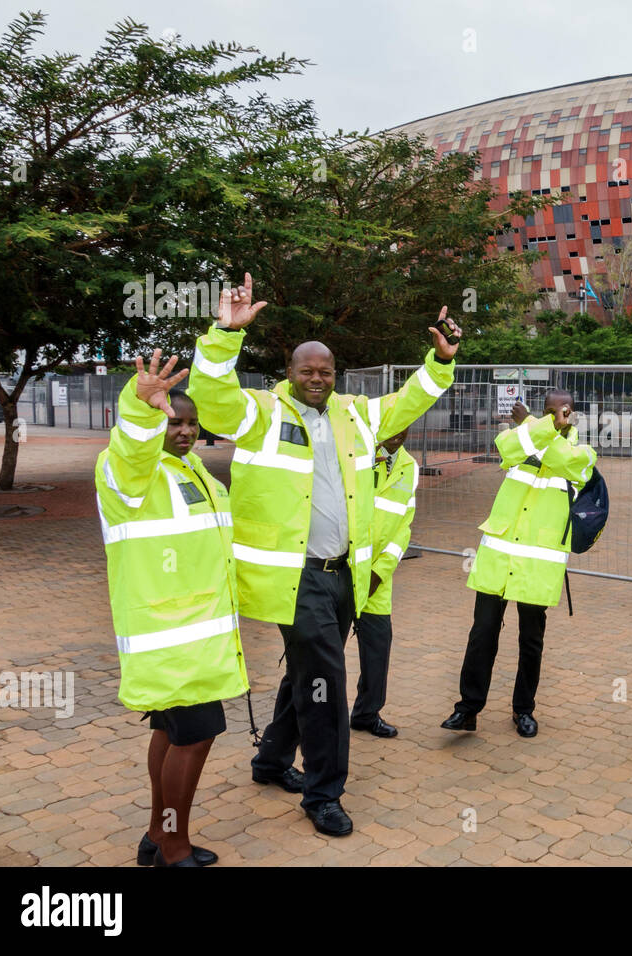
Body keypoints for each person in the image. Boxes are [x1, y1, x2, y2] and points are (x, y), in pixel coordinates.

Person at [188, 272, 460, 837]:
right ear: (289, 374)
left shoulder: (355, 415)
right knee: (328, 685)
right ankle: (324, 794)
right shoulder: (260, 414)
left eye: (326, 371)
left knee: (306, 677)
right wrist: (223, 335)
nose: (317, 378)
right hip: (297, 579)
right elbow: (212, 401)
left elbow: (408, 401)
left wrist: (439, 363)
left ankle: (269, 761)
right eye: (307, 370)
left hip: (345, 579)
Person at [95, 352, 248, 866]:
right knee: (196, 735)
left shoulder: (193, 470)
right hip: (171, 637)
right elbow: (132, 451)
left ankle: (156, 837)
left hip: (197, 635)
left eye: (189, 422)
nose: (183, 431)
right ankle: (173, 846)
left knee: (171, 731)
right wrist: (141, 409)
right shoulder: (127, 471)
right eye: (171, 422)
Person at [441, 390, 596, 738]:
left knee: (531, 641)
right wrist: (536, 427)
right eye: (550, 411)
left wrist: (533, 423)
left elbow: (565, 462)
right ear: (542, 413)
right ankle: (467, 709)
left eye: (564, 411)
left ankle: (523, 710)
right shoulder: (520, 441)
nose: (559, 416)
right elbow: (505, 448)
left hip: (538, 566)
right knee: (482, 635)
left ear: (573, 415)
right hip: (499, 557)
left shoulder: (582, 454)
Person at [350, 427, 418, 738]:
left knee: (378, 650)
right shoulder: (357, 457)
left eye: (406, 425)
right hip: (341, 570)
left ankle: (367, 712)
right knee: (323, 655)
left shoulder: (410, 467)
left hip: (378, 577)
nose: (399, 433)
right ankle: (315, 713)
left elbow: (404, 526)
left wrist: (381, 570)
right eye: (394, 424)